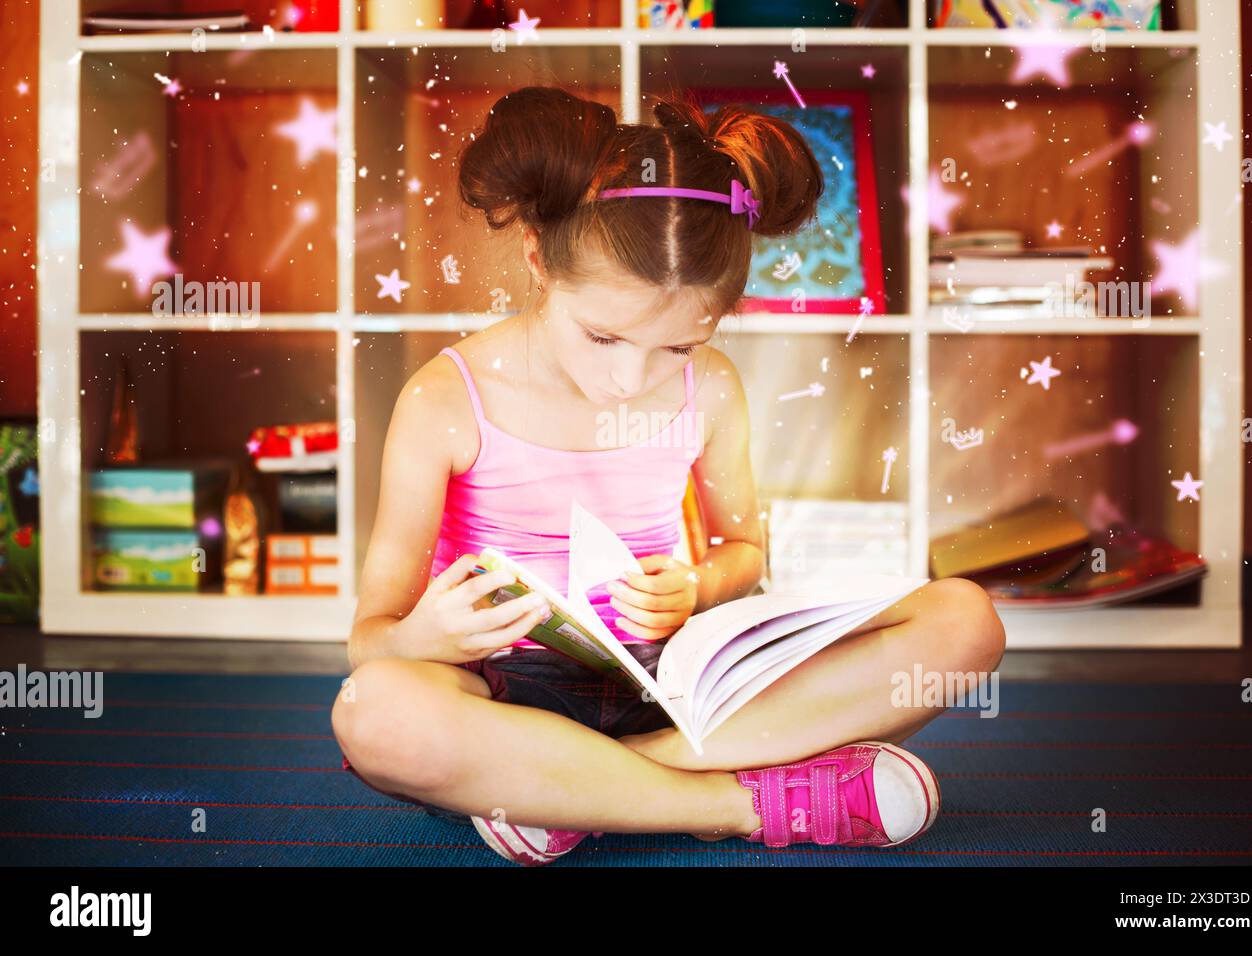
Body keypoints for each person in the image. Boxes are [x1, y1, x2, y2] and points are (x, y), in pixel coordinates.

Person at [332, 86, 1006, 865]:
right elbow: (369, 642)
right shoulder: (445, 400)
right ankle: (734, 801)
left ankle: (583, 791)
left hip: (676, 682)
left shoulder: (712, 388)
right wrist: (424, 635)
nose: (629, 381)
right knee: (375, 711)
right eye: (604, 337)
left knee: (965, 623)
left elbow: (745, 549)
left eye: (677, 347)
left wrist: (698, 587)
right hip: (502, 696)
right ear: (537, 260)